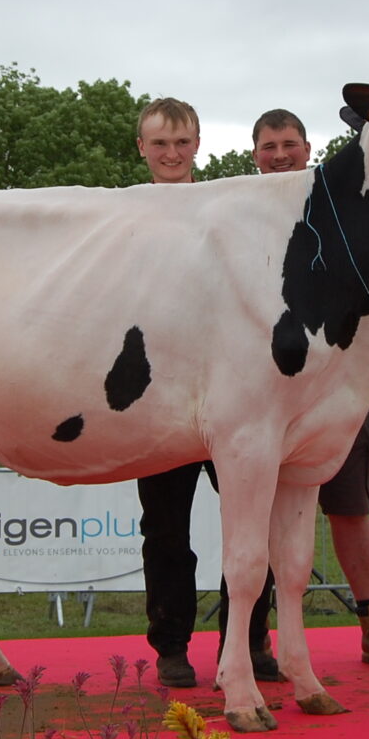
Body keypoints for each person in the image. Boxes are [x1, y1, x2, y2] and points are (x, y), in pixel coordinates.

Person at [250, 108, 369, 672]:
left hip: (333, 390)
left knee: (351, 509)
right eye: (269, 146)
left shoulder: (344, 208)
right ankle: (256, 643)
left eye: (289, 145)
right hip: (252, 399)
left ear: (307, 148)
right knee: (253, 520)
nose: (280, 155)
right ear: (254, 154)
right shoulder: (238, 215)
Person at [132, 99, 275, 688]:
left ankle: (248, 642)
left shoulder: (227, 212)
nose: (171, 154)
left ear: (197, 146)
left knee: (252, 523)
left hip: (235, 396)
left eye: (181, 142)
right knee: (165, 530)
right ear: (141, 148)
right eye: (160, 143)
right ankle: (171, 646)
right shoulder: (123, 219)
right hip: (159, 402)